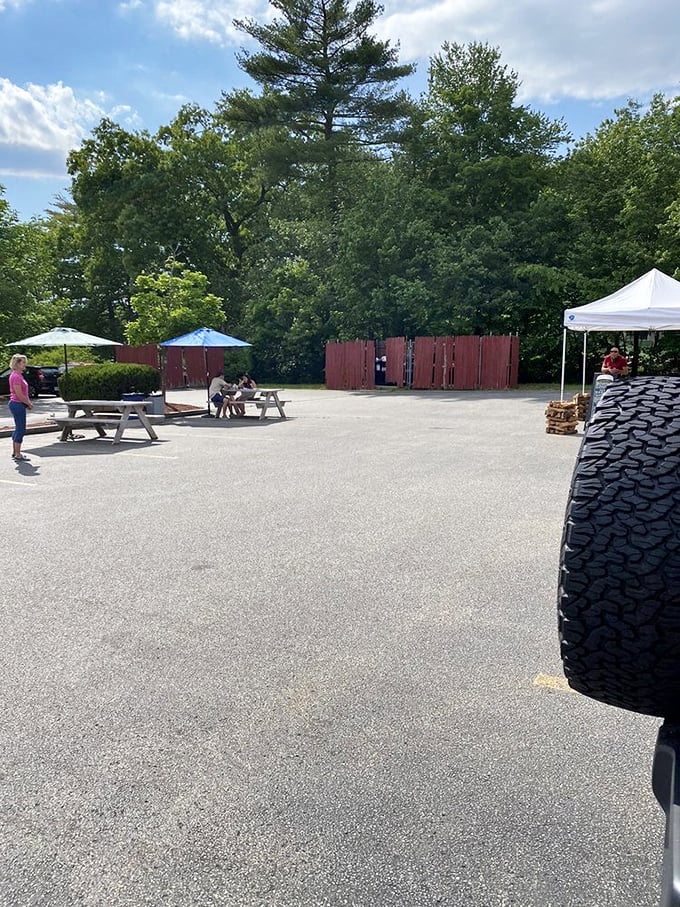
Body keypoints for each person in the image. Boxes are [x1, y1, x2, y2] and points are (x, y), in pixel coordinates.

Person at [7, 353, 33, 460]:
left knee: (18, 428)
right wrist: (28, 403)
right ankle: (18, 453)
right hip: (17, 404)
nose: (25, 364)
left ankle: (15, 452)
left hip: (18, 404)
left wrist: (26, 403)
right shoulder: (16, 376)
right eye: (23, 362)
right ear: (17, 364)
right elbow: (19, 394)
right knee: (21, 429)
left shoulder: (18, 375)